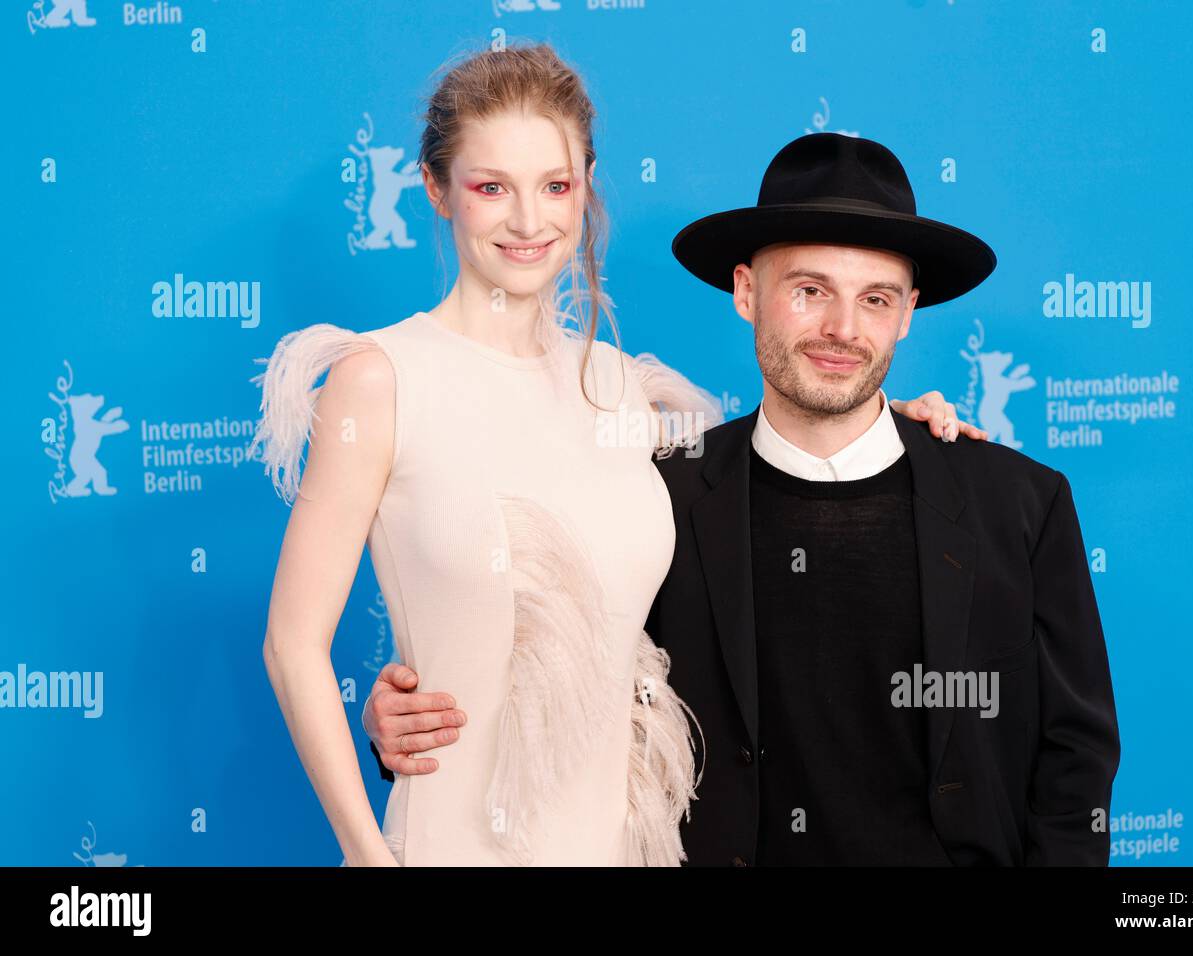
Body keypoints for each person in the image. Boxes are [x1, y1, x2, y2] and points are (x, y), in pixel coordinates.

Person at [253, 43, 977, 867]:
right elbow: (292, 644)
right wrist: (371, 854)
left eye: (555, 186)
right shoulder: (379, 379)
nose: (529, 222)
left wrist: (890, 428)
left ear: (586, 186)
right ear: (436, 189)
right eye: (492, 187)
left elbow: (773, 466)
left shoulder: (622, 388)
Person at [364, 131, 1121, 866]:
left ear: (908, 312)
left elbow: (1076, 755)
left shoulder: (1017, 503)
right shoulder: (657, 496)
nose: (842, 329)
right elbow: (559, 678)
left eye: (876, 299)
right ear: (746, 292)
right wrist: (403, 720)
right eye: (810, 290)